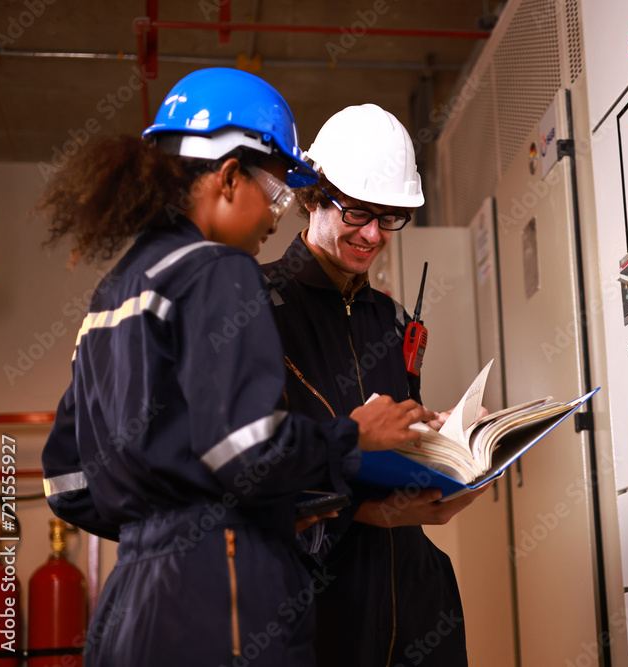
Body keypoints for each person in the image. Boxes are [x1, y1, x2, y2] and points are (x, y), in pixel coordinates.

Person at [38, 69, 434, 667]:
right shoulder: (220, 271)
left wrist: (163, 527)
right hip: (222, 595)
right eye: (275, 195)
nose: (275, 220)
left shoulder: (112, 294)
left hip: (130, 608)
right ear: (227, 178)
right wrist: (355, 436)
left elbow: (67, 484)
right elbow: (242, 448)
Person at [262, 103, 489, 667]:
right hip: (321, 611)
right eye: (358, 212)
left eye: (389, 217)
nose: (372, 235)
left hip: (415, 603)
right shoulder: (260, 306)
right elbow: (257, 474)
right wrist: (367, 511)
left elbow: (388, 440)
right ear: (313, 197)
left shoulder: (390, 319)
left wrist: (442, 441)